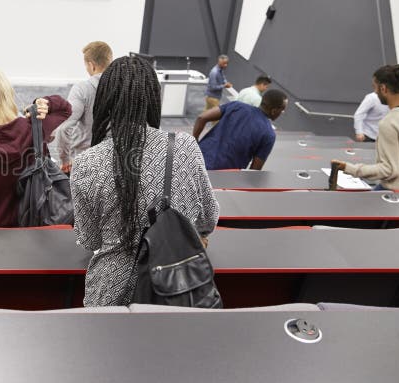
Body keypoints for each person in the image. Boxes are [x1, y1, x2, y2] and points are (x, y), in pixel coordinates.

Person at [71, 56, 219, 307]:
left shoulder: (86, 162)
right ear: (153, 98)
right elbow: (208, 218)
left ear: (105, 100)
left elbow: (90, 240)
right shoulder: (184, 146)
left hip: (110, 296)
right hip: (173, 289)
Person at [0, 65, 71, 227]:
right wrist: (45, 103)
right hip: (29, 226)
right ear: (6, 92)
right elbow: (65, 108)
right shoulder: (34, 127)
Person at [333, 64, 399, 191]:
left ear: (383, 88)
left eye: (375, 87)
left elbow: (389, 170)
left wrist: (349, 168)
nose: (375, 92)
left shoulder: (389, 122)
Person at [54, 41, 113, 174]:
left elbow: (64, 129)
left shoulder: (81, 89)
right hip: (115, 165)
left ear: (91, 65)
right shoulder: (125, 89)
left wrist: (65, 161)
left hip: (83, 164)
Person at [194, 89, 288, 170]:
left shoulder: (236, 106)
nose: (282, 112)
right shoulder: (268, 134)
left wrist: (194, 141)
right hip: (223, 176)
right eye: (282, 109)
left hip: (197, 160)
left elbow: (202, 117)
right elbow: (254, 171)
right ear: (274, 111)